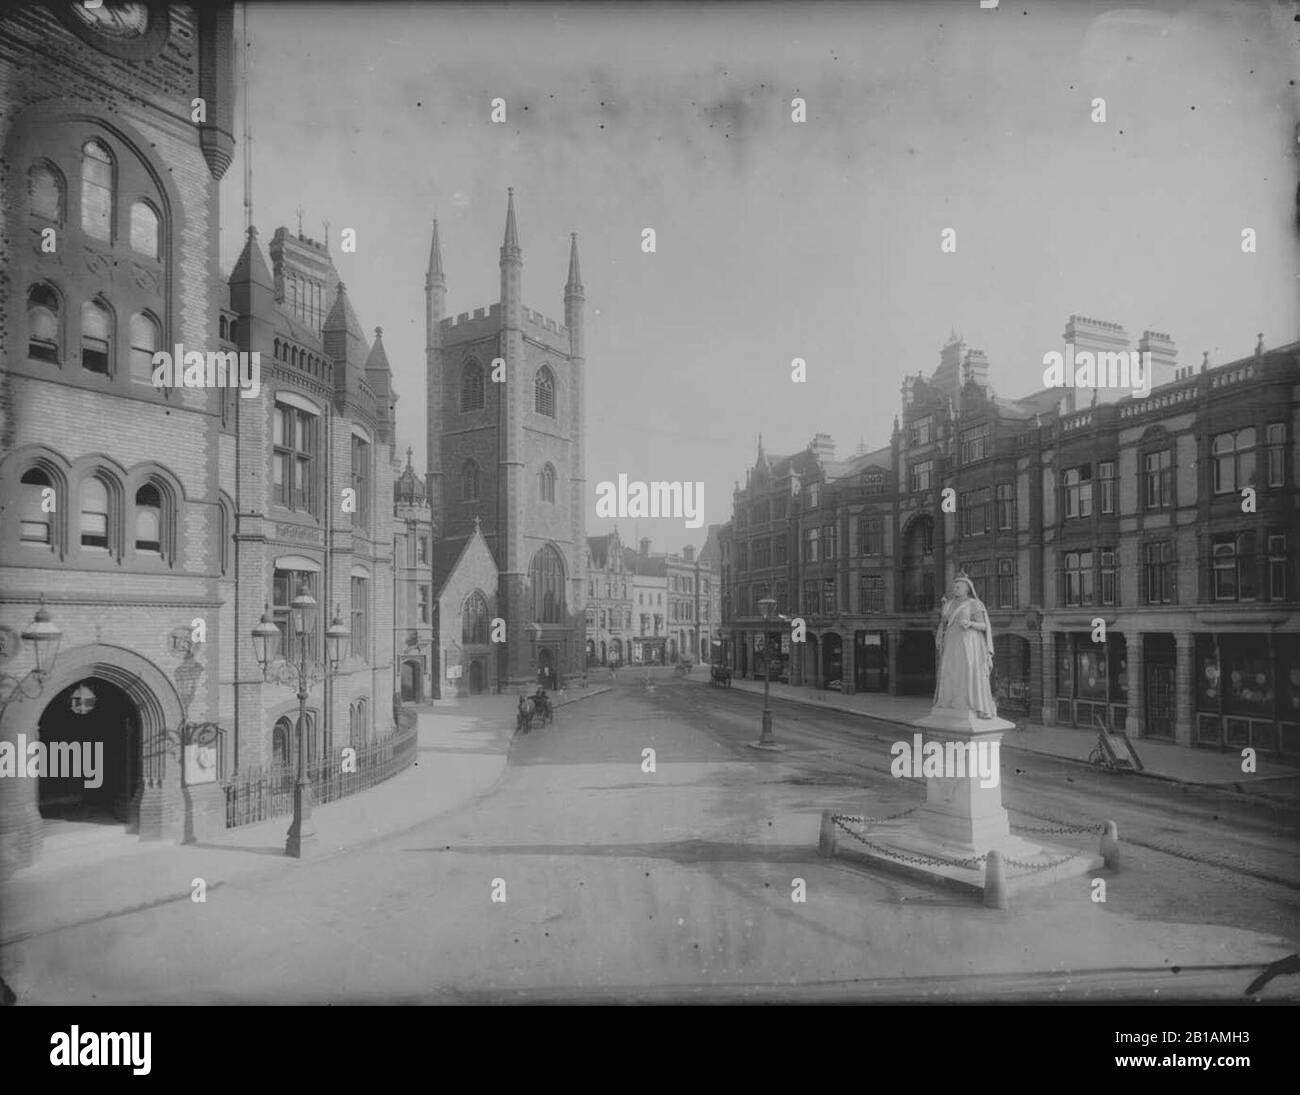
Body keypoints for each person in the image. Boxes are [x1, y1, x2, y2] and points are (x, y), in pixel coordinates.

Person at [933, 572, 998, 719]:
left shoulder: (974, 604)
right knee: (949, 670)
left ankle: (967, 702)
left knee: (966, 671)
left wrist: (970, 624)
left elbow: (984, 626)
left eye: (959, 586)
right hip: (951, 642)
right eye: (955, 586)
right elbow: (943, 624)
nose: (956, 588)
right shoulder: (949, 605)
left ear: (967, 588)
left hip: (968, 644)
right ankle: (948, 701)